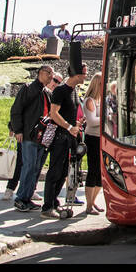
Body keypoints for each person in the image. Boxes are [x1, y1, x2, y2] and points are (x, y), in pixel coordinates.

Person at [40, 62, 86, 221]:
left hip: (70, 137)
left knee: (64, 171)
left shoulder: (73, 91)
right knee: (54, 171)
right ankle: (47, 207)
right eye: (84, 73)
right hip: (61, 136)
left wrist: (76, 125)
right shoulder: (61, 91)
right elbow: (54, 113)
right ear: (76, 74)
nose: (85, 76)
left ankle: (53, 201)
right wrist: (68, 127)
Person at [12, 64, 55, 211]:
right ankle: (21, 198)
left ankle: (28, 197)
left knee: (36, 168)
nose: (51, 76)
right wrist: (17, 130)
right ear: (40, 73)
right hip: (29, 136)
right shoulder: (29, 88)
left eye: (52, 74)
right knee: (29, 166)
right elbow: (16, 110)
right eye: (48, 73)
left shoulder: (47, 93)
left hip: (42, 137)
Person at [81, 72, 103, 216]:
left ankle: (93, 201)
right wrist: (106, 119)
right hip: (92, 138)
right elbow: (91, 121)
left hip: (100, 138)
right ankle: (88, 205)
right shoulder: (90, 100)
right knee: (93, 170)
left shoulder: (100, 100)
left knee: (100, 172)